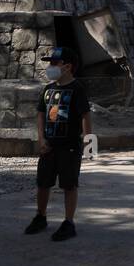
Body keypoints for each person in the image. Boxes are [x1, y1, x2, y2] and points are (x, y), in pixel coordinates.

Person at [25, 46, 92, 241]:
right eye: (50, 63)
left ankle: (69, 222)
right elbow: (40, 113)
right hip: (49, 146)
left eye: (55, 63)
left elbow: (85, 116)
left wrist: (88, 144)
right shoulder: (48, 89)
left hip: (70, 146)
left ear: (68, 67)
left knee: (69, 184)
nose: (50, 67)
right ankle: (41, 216)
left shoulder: (77, 89)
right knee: (42, 183)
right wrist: (41, 138)